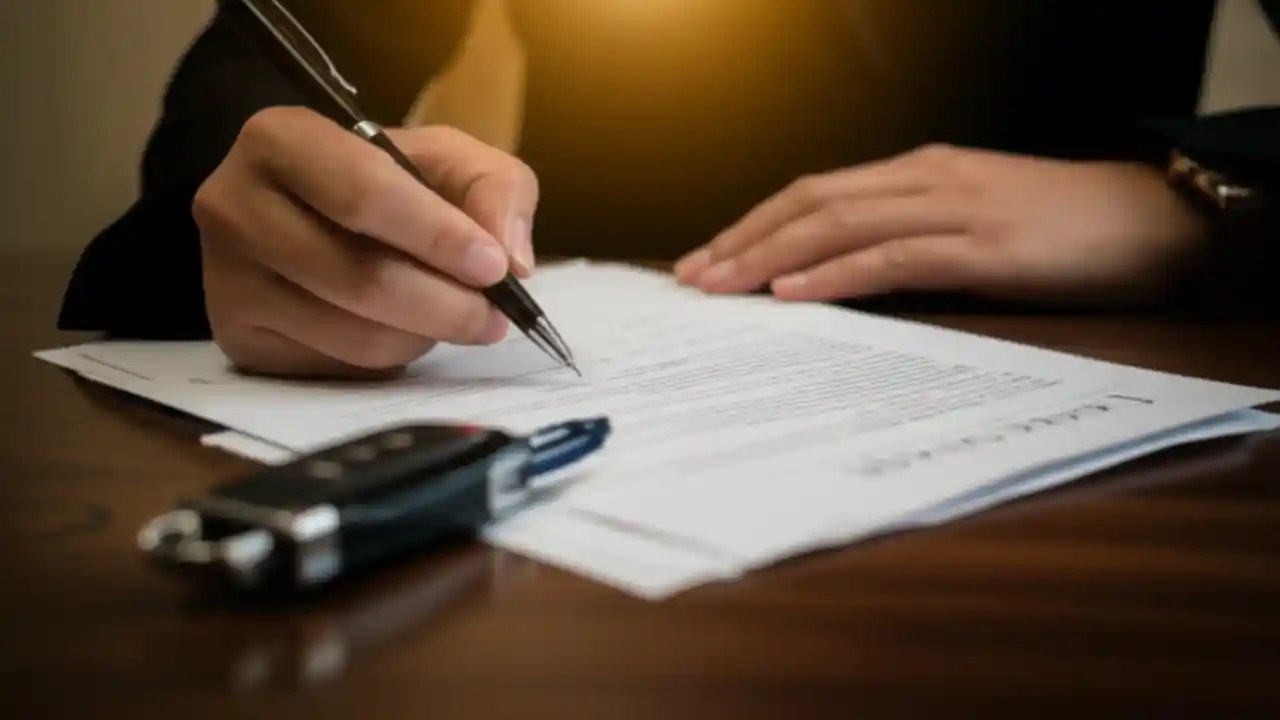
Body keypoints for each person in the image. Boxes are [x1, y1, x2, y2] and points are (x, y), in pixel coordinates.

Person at [60, 0, 1277, 378]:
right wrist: (292, 181)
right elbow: (266, 69)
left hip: (1110, 399)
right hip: (578, 395)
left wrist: (1198, 192)